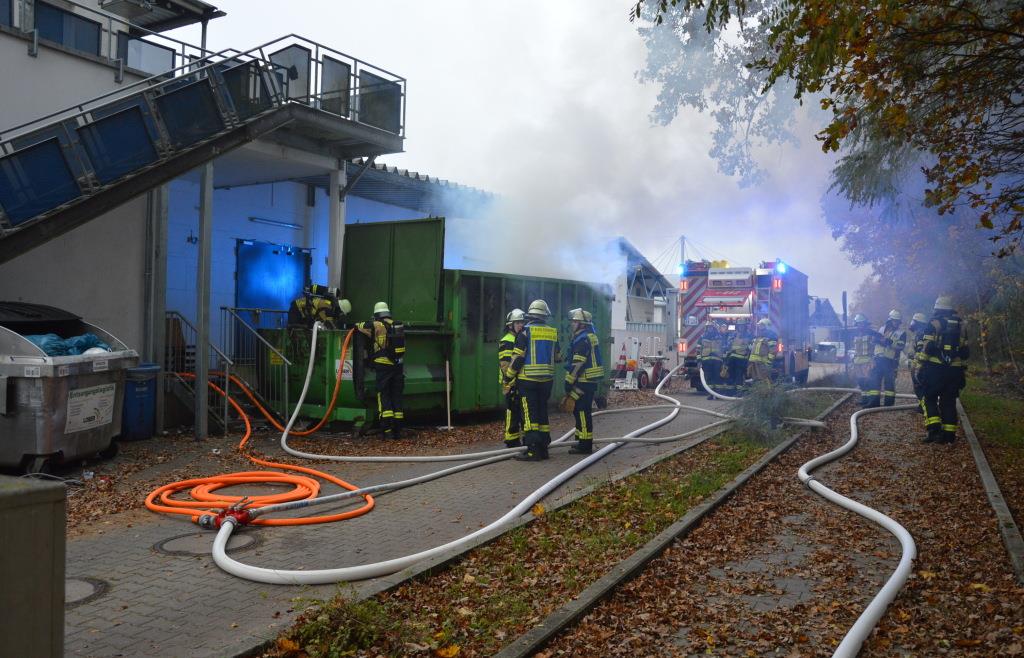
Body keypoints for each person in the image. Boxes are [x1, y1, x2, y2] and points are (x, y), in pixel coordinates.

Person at [505, 299, 558, 462]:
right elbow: (558, 357)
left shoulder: (525, 332)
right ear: (545, 315)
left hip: (527, 380)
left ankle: (532, 451)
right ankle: (543, 449)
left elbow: (518, 358)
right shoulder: (552, 332)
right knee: (542, 414)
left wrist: (508, 376)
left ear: (530, 315)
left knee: (529, 416)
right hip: (547, 381)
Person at [918, 296, 969, 444]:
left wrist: (920, 364)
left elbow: (927, 348)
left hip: (935, 370)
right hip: (955, 371)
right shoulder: (962, 326)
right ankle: (949, 435)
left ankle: (934, 431)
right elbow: (965, 351)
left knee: (929, 398)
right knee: (949, 402)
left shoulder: (933, 324)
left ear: (937, 309)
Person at [356, 302, 406, 439]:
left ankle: (387, 430)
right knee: (396, 395)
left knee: (383, 395)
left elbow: (359, 326)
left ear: (377, 314)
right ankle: (398, 430)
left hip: (383, 366)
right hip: (397, 365)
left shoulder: (376, 325)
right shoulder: (396, 325)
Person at [561, 308, 604, 455]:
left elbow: (577, 364)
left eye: (575, 322)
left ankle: (585, 445)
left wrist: (568, 382)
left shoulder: (583, 339)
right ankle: (580, 440)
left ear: (583, 324)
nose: (572, 324)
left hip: (584, 381)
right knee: (578, 411)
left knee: (582, 411)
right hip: (587, 381)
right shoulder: (587, 336)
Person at [865, 309, 907, 408]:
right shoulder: (881, 329)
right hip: (878, 359)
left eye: (897, 321)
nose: (896, 323)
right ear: (889, 320)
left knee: (889, 383)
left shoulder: (901, 333)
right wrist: (876, 340)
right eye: (894, 321)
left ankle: (888, 405)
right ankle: (873, 403)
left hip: (890, 361)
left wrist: (890, 343)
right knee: (874, 381)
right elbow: (873, 342)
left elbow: (901, 346)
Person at [499, 309, 526, 448]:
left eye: (522, 322)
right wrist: (509, 382)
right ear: (511, 325)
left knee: (520, 411)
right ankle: (511, 440)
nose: (521, 325)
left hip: (519, 381)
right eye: (518, 323)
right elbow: (505, 365)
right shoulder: (507, 341)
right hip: (510, 382)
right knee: (512, 411)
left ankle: (517, 439)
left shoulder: (520, 338)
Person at [287, 284, 352, 329]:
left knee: (306, 327)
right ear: (340, 309)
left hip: (302, 312)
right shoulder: (328, 308)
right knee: (293, 329)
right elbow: (328, 323)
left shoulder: (330, 304)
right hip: (297, 310)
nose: (340, 315)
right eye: (341, 313)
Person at [850, 313, 876, 407]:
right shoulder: (855, 334)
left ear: (865, 324)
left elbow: (879, 343)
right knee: (860, 381)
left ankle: (870, 401)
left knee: (868, 381)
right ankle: (864, 399)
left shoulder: (872, 333)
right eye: (858, 324)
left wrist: (873, 359)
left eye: (862, 323)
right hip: (857, 361)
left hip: (867, 361)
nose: (860, 326)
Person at [906, 312, 929, 414]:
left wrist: (915, 362)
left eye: (914, 322)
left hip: (919, 366)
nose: (912, 324)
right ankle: (923, 406)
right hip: (919, 365)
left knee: (919, 388)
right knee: (921, 387)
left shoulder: (920, 334)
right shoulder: (921, 333)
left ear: (918, 323)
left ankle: (924, 408)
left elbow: (920, 350)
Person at [746, 318, 778, 382]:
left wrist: (768, 362)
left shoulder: (771, 336)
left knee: (765, 379)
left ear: (766, 326)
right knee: (756, 380)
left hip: (763, 363)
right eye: (759, 325)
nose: (760, 327)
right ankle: (759, 391)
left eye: (762, 325)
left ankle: (766, 391)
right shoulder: (760, 335)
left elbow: (772, 351)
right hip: (755, 363)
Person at [699, 323, 724, 399]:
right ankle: (711, 394)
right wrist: (699, 361)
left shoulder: (719, 337)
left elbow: (723, 348)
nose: (710, 329)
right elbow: (698, 349)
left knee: (717, 378)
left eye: (711, 327)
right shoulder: (702, 337)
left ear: (714, 328)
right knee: (709, 378)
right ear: (706, 328)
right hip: (706, 360)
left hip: (717, 360)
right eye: (708, 327)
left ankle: (717, 394)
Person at [724, 324, 750, 391]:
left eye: (742, 326)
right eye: (740, 326)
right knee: (730, 374)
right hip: (732, 358)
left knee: (739, 375)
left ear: (745, 326)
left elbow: (750, 347)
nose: (741, 327)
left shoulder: (748, 335)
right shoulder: (734, 334)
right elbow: (728, 344)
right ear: (738, 326)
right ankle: (730, 391)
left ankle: (739, 392)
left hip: (741, 359)